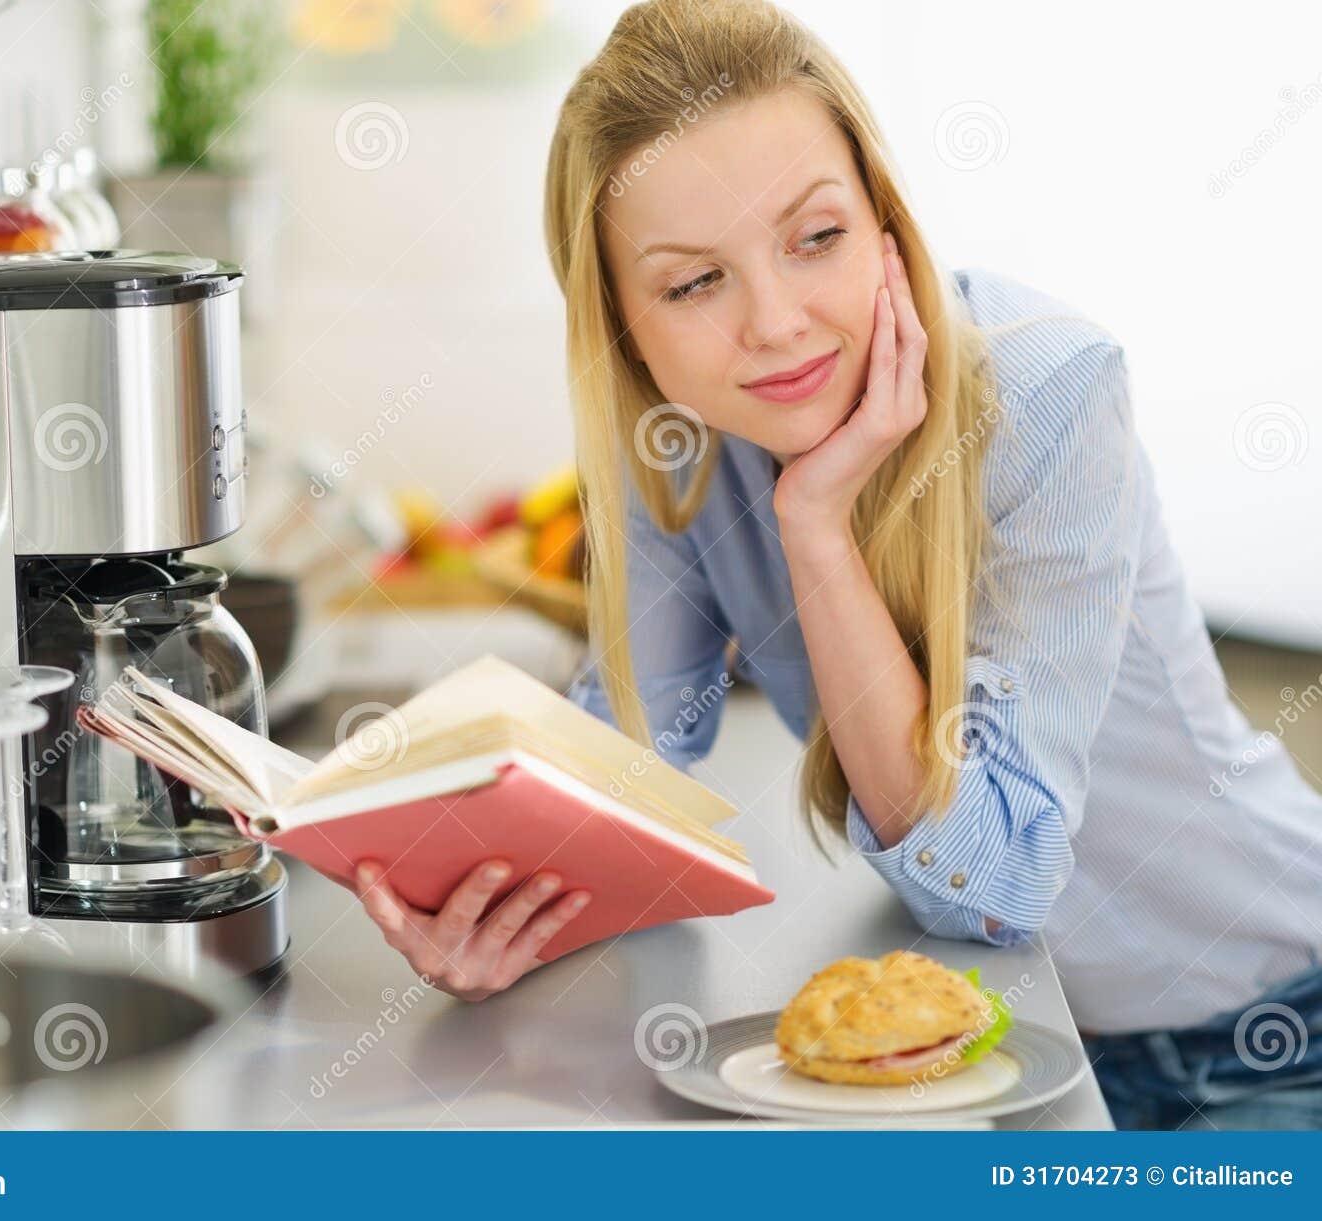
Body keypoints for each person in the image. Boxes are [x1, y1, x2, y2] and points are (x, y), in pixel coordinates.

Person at [350, 0, 1322, 1129]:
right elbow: (627, 775)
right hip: (1000, 1056)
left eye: (816, 238)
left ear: (884, 222)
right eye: (691, 283)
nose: (774, 322)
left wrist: (814, 525)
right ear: (620, 321)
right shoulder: (676, 452)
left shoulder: (1050, 396)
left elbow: (996, 885)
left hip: (1272, 1034)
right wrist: (490, 918)